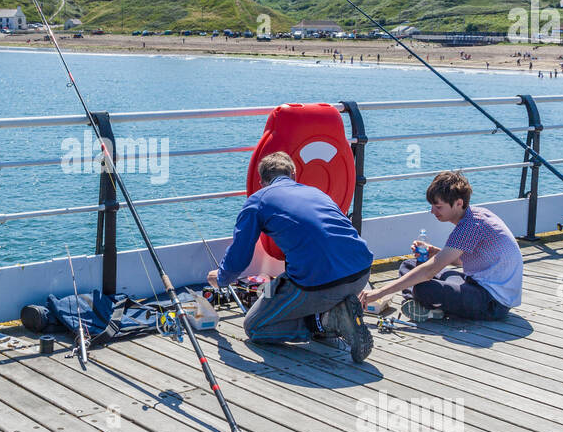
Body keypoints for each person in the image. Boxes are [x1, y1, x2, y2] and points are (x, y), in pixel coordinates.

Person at [207, 152, 375, 361]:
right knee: (284, 287)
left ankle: (327, 321)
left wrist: (221, 278)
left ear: (261, 183)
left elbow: (239, 256)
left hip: (318, 284)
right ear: (293, 175)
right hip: (361, 274)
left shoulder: (257, 201)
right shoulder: (316, 193)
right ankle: (334, 312)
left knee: (255, 326)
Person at [360, 170, 522, 321]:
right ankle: (420, 304)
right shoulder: (475, 215)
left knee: (423, 287)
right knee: (409, 265)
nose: (433, 211)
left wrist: (379, 292)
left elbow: (429, 271)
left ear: (459, 203)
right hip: (477, 283)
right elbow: (462, 261)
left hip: (493, 302)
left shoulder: (471, 226)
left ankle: (421, 302)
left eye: (438, 207)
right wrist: (434, 252)